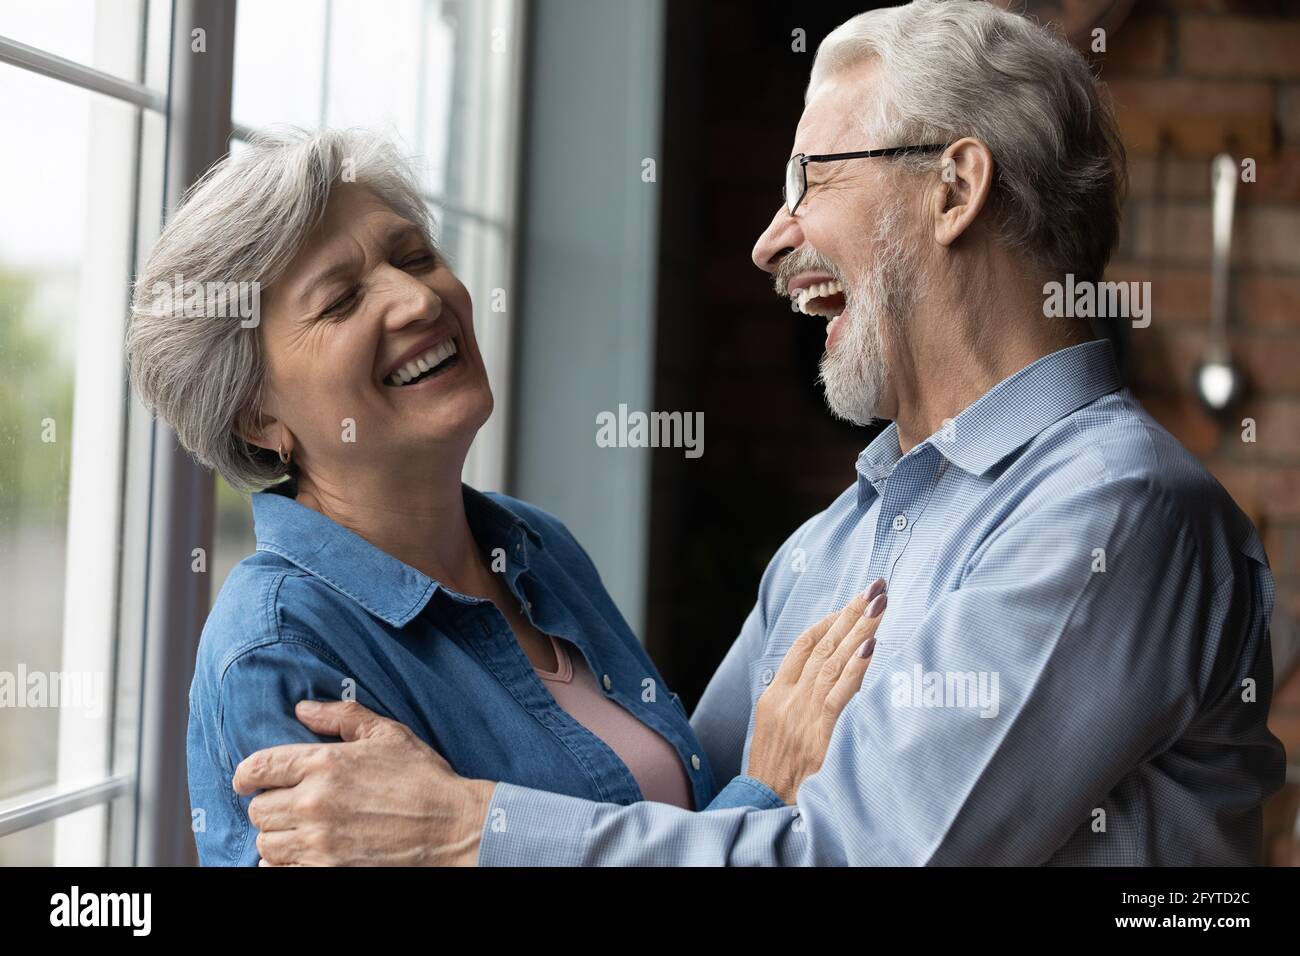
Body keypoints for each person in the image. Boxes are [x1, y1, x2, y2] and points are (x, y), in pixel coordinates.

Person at [236, 0, 1285, 866]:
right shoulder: (831, 545)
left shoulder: (1113, 507)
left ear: (954, 189)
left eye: (812, 179)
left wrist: (464, 827)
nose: (768, 240)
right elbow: (701, 820)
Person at [126, 128, 884, 866]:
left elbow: (663, 819)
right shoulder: (282, 652)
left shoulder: (535, 545)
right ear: (257, 416)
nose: (418, 300)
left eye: (416, 256)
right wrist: (767, 789)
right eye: (340, 301)